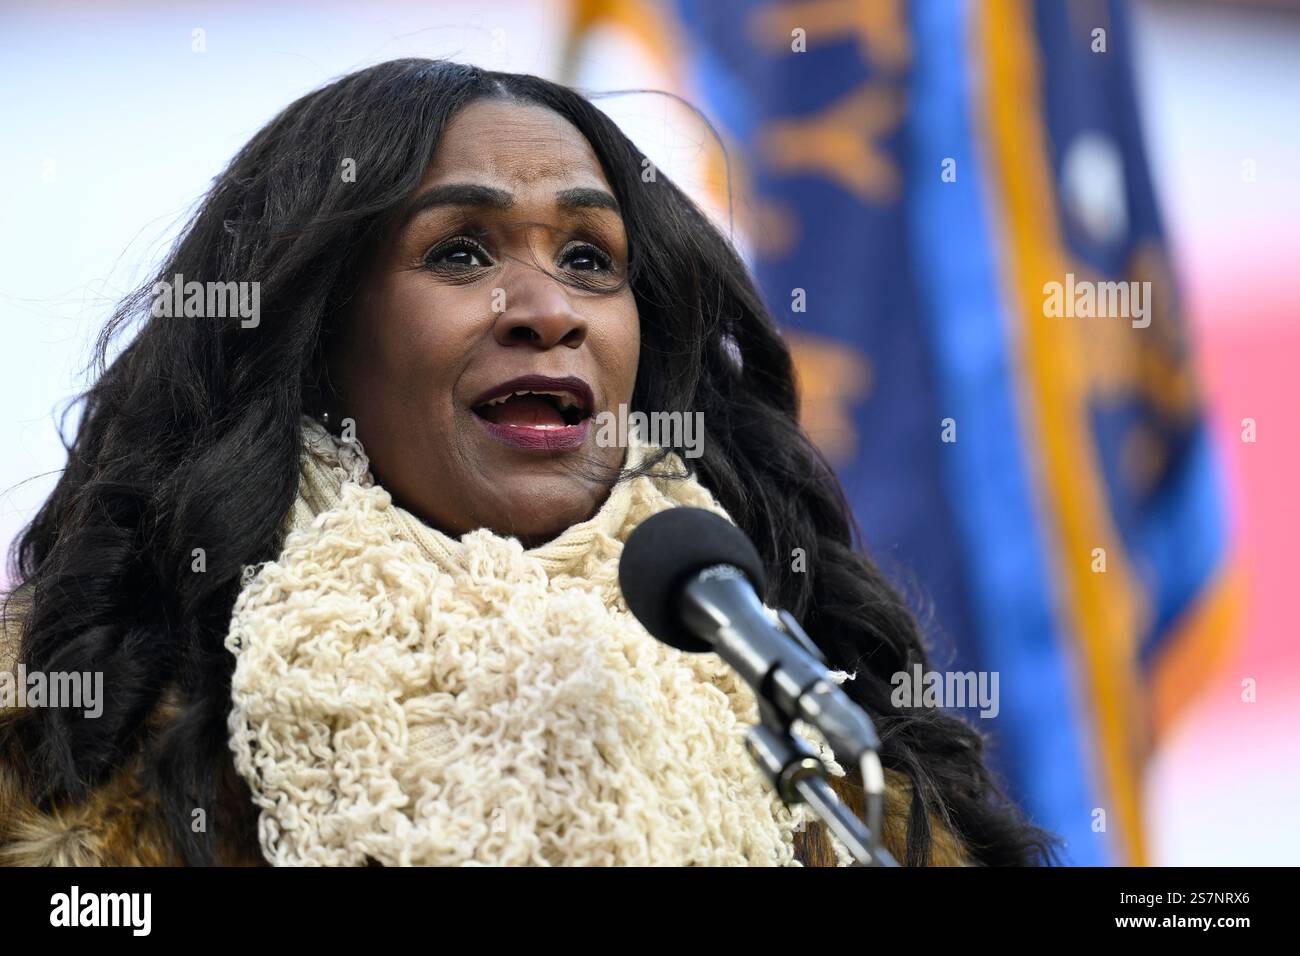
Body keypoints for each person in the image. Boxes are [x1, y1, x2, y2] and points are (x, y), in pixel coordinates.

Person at [0, 58, 1057, 867]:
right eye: (460, 250)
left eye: (590, 259)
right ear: (311, 340)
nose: (550, 310)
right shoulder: (66, 740)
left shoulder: (828, 732)